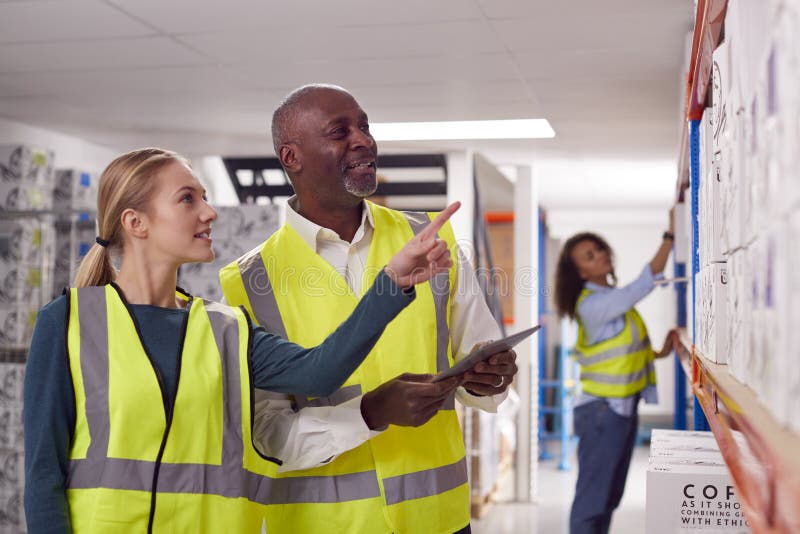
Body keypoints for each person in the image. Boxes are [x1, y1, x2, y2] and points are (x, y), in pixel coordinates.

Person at [23, 147, 463, 533]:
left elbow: (320, 372)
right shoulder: (69, 322)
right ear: (136, 222)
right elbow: (44, 475)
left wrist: (392, 282)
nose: (209, 212)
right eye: (187, 199)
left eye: (205, 198)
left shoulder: (225, 327)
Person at [219, 84, 519, 534]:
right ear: (291, 158)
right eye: (340, 131)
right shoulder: (246, 284)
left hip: (439, 520)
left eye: (364, 126)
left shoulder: (431, 243)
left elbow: (480, 360)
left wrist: (489, 377)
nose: (363, 140)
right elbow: (263, 435)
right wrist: (369, 413)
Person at [554, 212, 679, 534]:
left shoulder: (607, 300)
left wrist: (661, 352)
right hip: (602, 412)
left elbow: (621, 351)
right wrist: (670, 237)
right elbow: (642, 285)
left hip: (619, 409)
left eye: (600, 249)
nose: (601, 256)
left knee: (608, 497)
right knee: (592, 500)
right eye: (589, 256)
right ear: (579, 272)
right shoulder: (592, 305)